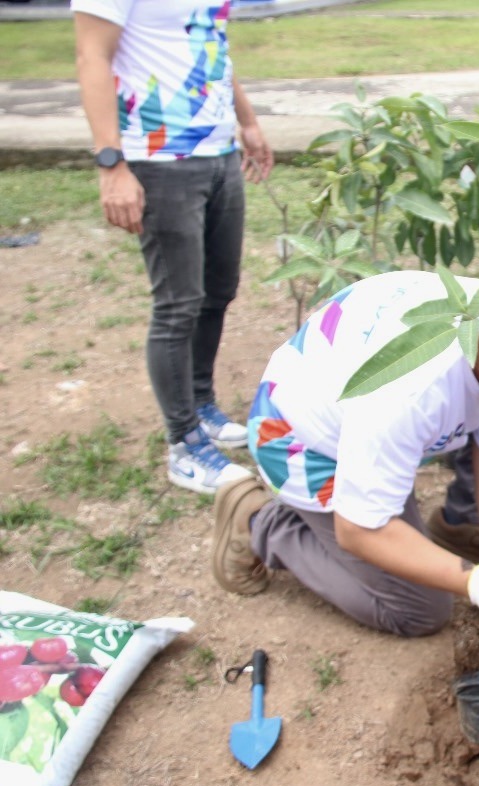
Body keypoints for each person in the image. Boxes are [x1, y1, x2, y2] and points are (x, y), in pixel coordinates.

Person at [210, 270, 479, 641]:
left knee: (429, 524)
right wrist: (477, 584)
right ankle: (259, 521)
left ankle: (450, 528)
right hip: (297, 441)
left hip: (370, 428)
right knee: (419, 608)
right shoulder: (412, 389)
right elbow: (358, 531)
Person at [73, 0, 273, 495]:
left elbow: (212, 45)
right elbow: (92, 56)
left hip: (219, 152)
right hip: (158, 156)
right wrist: (111, 165)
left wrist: (246, 120)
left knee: (219, 291)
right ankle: (184, 444)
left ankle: (200, 406)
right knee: (178, 304)